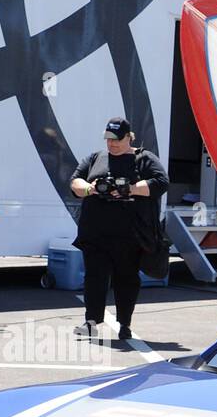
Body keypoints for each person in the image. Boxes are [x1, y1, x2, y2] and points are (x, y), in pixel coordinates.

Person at [70, 118, 168, 342]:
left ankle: (125, 324)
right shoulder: (96, 158)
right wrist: (91, 189)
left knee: (126, 279)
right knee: (94, 278)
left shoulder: (143, 158)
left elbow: (161, 183)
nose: (112, 144)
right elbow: (75, 181)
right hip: (95, 233)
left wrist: (130, 189)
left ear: (128, 137)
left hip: (129, 235)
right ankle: (91, 323)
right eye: (108, 139)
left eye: (116, 140)